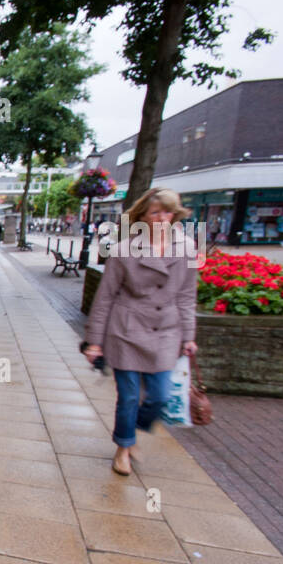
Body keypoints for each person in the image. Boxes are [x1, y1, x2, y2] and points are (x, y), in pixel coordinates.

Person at [83, 188, 198, 476]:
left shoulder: (186, 247)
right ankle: (123, 448)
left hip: (165, 332)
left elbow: (186, 295)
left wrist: (188, 335)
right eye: (155, 212)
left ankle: (130, 428)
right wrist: (94, 343)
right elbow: (105, 297)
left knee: (158, 397)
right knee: (129, 397)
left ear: (175, 215)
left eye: (167, 212)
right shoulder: (124, 250)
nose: (162, 218)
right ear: (143, 216)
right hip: (127, 331)